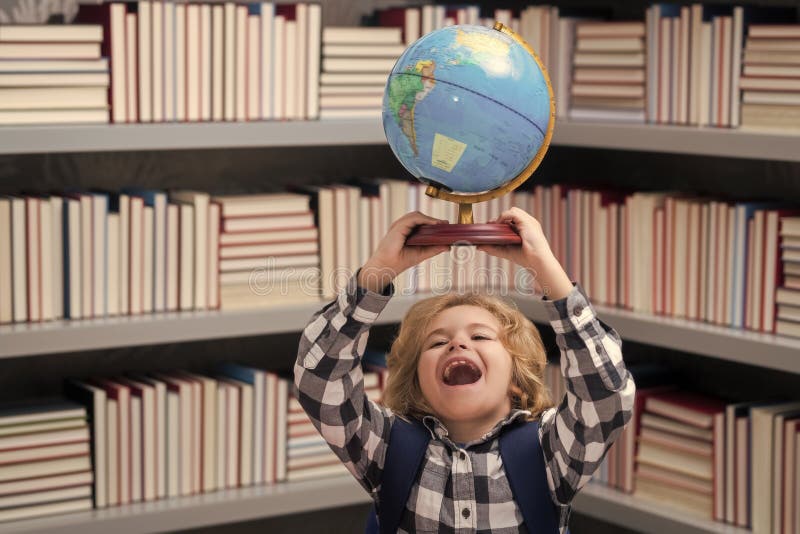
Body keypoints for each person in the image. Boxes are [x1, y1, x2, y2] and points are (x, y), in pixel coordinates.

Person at [294, 207, 636, 533]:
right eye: (436, 342)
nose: (458, 344)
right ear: (416, 383)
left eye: (480, 336)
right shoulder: (385, 448)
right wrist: (377, 272)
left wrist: (547, 271)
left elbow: (606, 395)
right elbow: (318, 378)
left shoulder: (550, 452)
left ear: (517, 378)